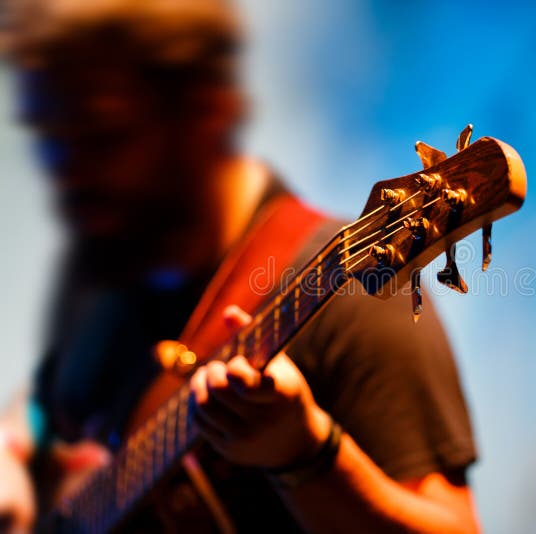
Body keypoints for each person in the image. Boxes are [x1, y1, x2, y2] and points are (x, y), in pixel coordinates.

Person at [0, 1, 480, 532]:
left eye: (102, 137)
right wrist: (17, 451)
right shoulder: (109, 262)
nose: (67, 174)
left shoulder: (353, 295)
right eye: (48, 137)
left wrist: (307, 454)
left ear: (207, 113)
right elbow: (51, 404)